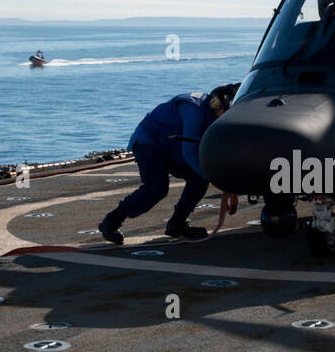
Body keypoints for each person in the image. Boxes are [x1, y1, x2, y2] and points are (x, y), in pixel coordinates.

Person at [98, 83, 240, 243]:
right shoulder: (194, 110)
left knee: (199, 179)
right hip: (149, 142)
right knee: (156, 188)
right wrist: (213, 177)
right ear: (217, 104)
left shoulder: (212, 113)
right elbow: (189, 150)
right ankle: (111, 221)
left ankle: (177, 224)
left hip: (171, 147)